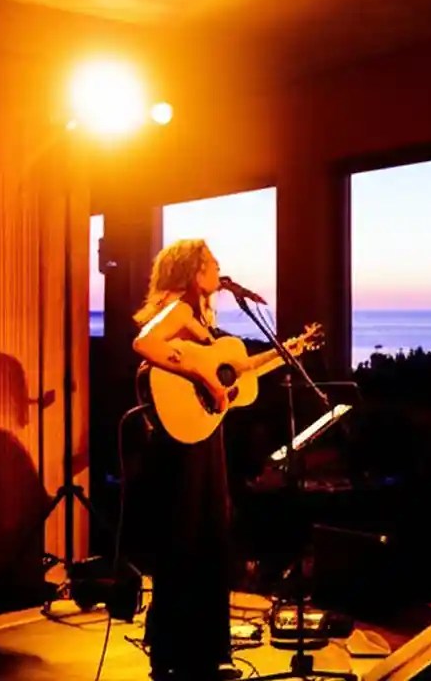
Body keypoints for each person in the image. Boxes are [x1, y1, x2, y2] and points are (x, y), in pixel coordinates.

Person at [130, 239, 241, 681]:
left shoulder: (198, 319)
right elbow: (144, 344)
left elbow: (223, 375)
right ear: (196, 272)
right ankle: (178, 653)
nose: (218, 270)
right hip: (181, 442)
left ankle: (200, 654)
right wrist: (203, 378)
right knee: (187, 539)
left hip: (200, 434)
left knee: (207, 538)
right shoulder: (177, 310)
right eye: (212, 264)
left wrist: (227, 380)